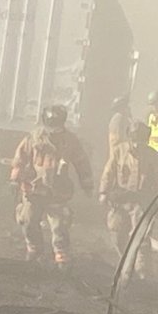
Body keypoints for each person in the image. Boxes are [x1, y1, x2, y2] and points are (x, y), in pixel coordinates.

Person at [9, 105, 94, 269]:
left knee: (59, 226)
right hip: (34, 189)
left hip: (58, 191)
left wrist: (87, 184)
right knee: (28, 220)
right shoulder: (33, 138)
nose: (54, 130)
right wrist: (14, 180)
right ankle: (34, 250)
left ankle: (61, 257)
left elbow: (81, 163)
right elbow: (20, 159)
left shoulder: (70, 141)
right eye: (51, 125)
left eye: (57, 125)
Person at [100, 121, 158, 260]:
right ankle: (125, 263)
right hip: (120, 200)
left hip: (141, 202)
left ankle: (142, 273)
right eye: (134, 140)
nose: (136, 145)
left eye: (140, 141)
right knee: (117, 234)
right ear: (129, 138)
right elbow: (108, 172)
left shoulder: (152, 155)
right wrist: (103, 192)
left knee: (141, 238)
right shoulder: (119, 151)